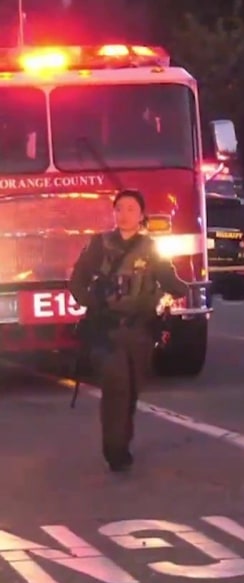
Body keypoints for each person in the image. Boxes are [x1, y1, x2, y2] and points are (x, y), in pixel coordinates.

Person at [68, 190, 188, 472]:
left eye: (131, 209)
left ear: (141, 215)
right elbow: (77, 282)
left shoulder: (151, 248)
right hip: (107, 331)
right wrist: (93, 303)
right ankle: (115, 451)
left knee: (132, 390)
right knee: (116, 390)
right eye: (119, 209)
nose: (124, 214)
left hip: (140, 331)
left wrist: (184, 290)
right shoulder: (99, 245)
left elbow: (169, 279)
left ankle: (123, 443)